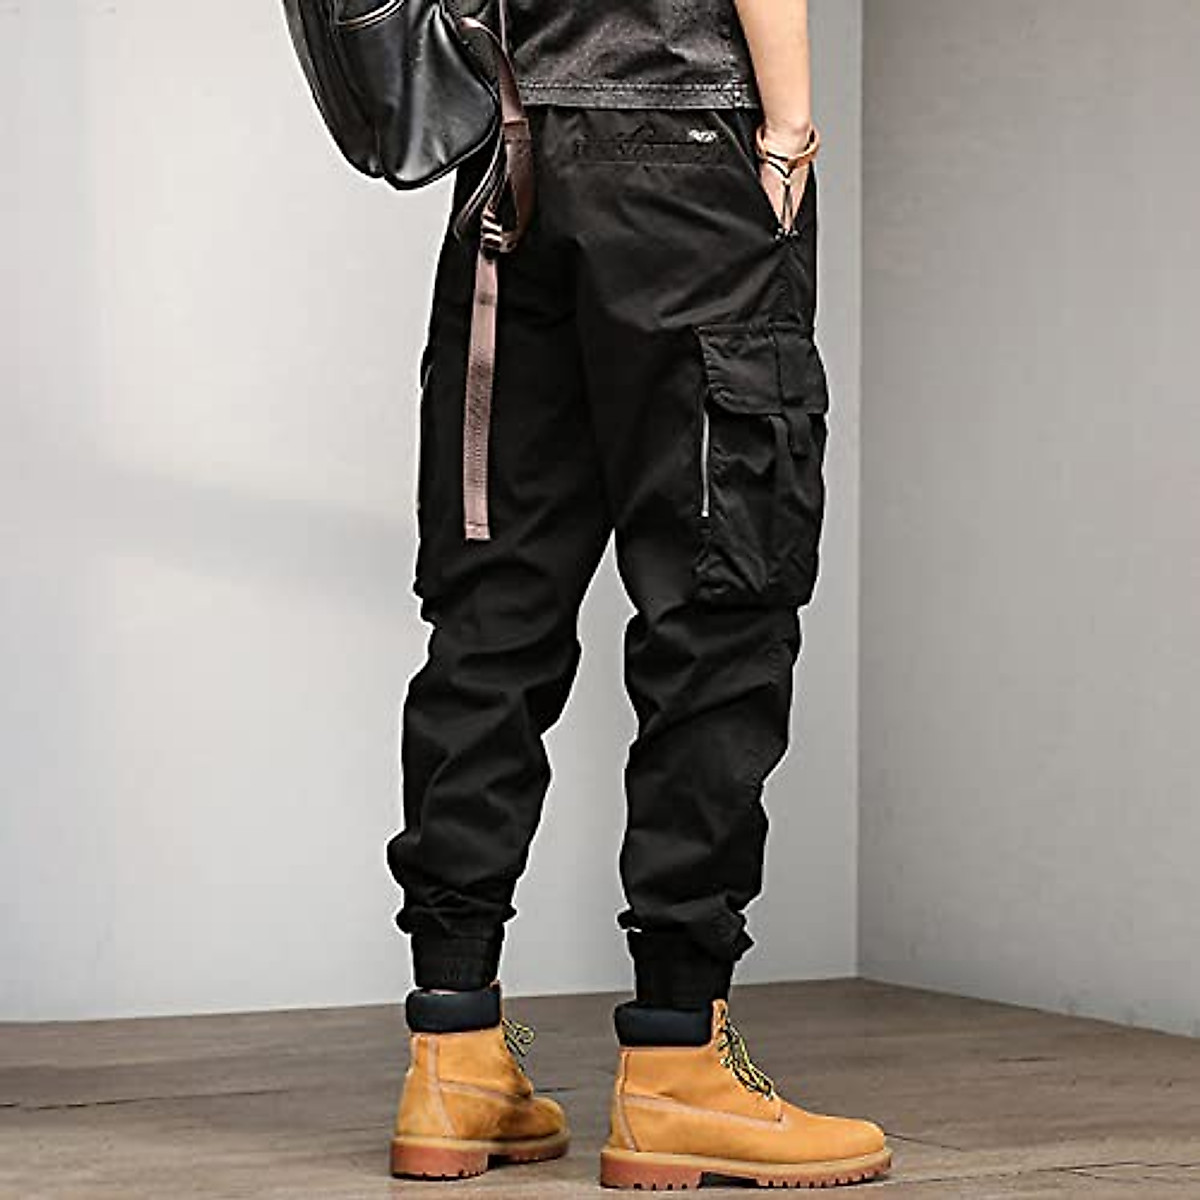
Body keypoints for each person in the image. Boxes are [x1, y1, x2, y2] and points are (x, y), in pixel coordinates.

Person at [385, 0, 892, 1187]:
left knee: (492, 609)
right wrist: (790, 136)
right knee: (719, 606)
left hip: (509, 166)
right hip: (690, 160)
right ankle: (676, 1068)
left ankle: (452, 1058)